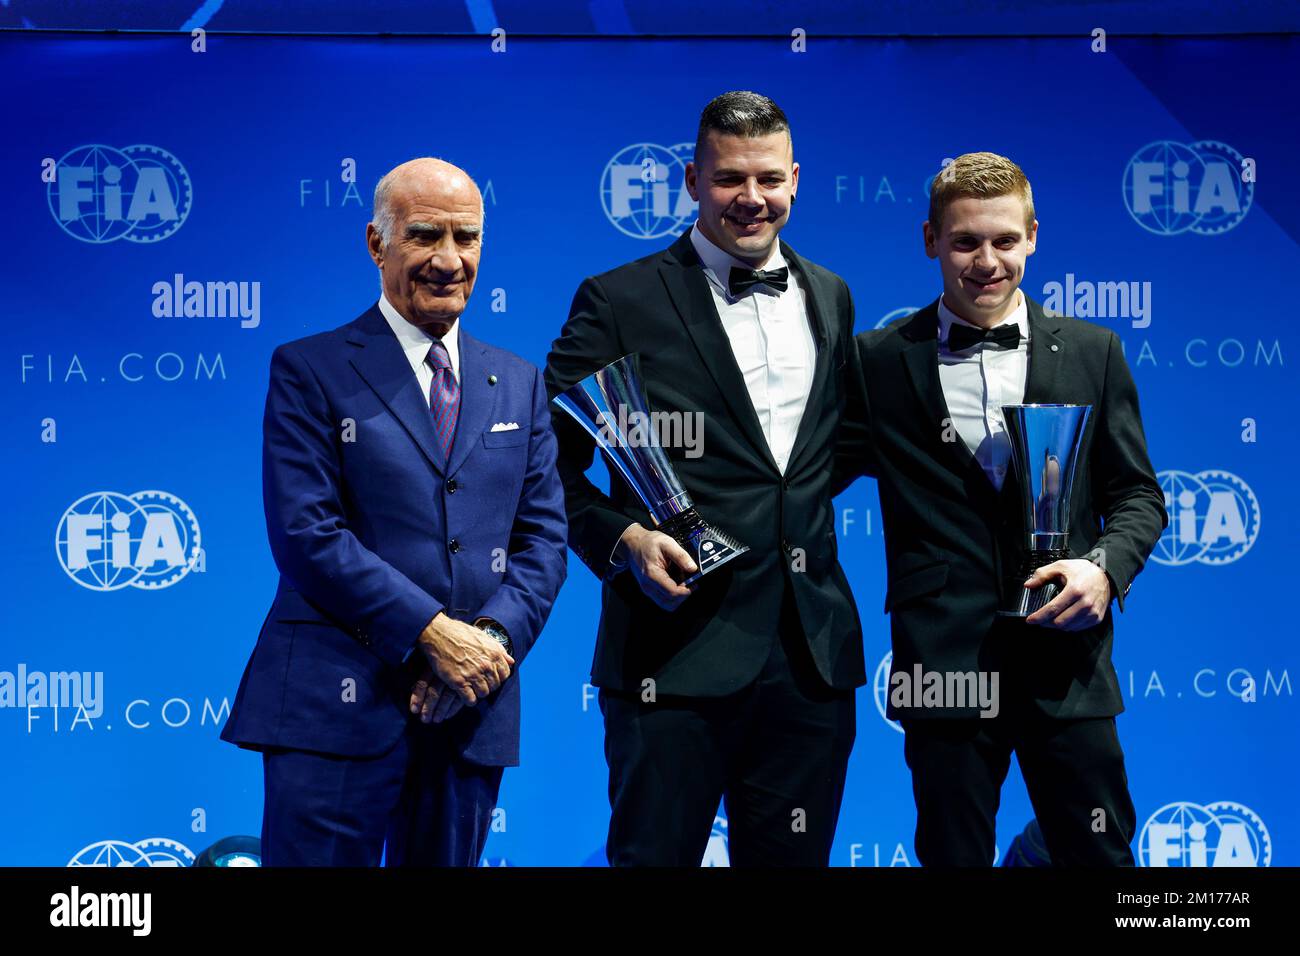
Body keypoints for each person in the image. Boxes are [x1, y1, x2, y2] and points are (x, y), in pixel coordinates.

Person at [545, 91, 863, 866]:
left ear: (795, 179)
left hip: (809, 657)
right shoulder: (618, 298)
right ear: (692, 180)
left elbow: (831, 451)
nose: (750, 200)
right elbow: (542, 464)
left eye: (767, 179)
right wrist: (622, 539)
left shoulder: (831, 293)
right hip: (671, 650)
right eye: (728, 180)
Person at [221, 158, 568, 866]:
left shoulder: (520, 382)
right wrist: (434, 636)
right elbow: (307, 534)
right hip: (333, 710)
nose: (448, 260)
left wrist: (486, 646)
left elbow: (543, 540)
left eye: (466, 238)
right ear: (378, 244)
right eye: (424, 236)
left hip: (468, 709)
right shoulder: (310, 368)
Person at [842, 151, 1167, 866]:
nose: (986, 261)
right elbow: (802, 476)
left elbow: (1138, 494)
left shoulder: (1093, 351)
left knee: (1100, 859)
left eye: (1004, 241)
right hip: (943, 664)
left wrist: (1105, 571)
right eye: (964, 242)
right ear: (931, 240)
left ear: (1033, 237)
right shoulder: (878, 363)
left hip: (1068, 662)